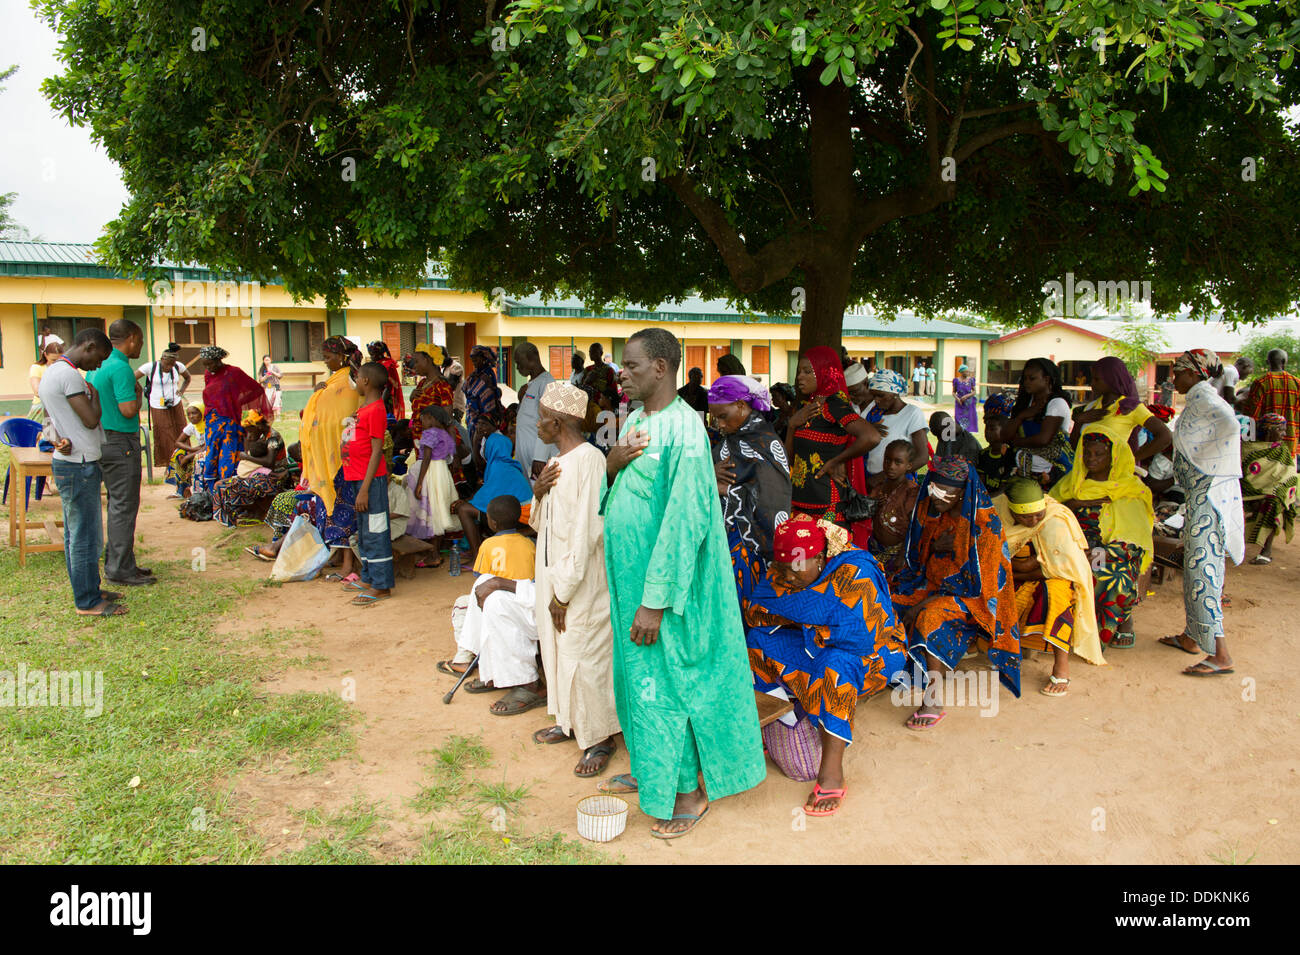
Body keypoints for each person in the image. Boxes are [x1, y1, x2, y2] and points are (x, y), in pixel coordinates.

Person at [601, 328, 766, 839]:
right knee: (640, 683)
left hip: (667, 591)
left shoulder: (686, 431)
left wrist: (654, 601)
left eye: (630, 365)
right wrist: (611, 465)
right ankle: (653, 768)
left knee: (673, 685)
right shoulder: (636, 421)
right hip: (629, 582)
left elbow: (685, 519)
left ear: (661, 368)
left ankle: (689, 792)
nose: (621, 373)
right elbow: (626, 491)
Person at [734, 515, 908, 815]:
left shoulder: (855, 571)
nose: (787, 577)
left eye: (796, 568)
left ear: (819, 556)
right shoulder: (787, 566)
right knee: (758, 640)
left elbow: (862, 635)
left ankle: (831, 772)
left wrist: (809, 623)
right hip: (816, 640)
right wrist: (809, 621)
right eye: (782, 567)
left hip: (875, 652)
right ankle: (779, 723)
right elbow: (757, 610)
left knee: (837, 667)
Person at [527, 381, 621, 777]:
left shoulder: (590, 461)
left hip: (580, 582)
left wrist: (563, 592)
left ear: (559, 422)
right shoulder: (555, 462)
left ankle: (600, 737)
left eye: (541, 420)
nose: (537, 426)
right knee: (558, 650)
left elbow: (588, 531)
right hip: (552, 574)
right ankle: (570, 722)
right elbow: (540, 523)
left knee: (585, 656)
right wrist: (538, 491)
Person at [891, 458, 1021, 729]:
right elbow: (918, 558)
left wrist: (927, 600)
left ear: (962, 490)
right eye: (932, 488)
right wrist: (936, 547)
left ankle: (933, 698)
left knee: (930, 616)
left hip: (972, 600)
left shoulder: (985, 525)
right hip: (931, 584)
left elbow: (980, 585)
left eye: (944, 491)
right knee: (888, 600)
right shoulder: (935, 513)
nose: (935, 496)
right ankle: (895, 670)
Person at [1160, 350, 1245, 675]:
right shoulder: (1201, 399)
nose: (1173, 379)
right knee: (1198, 568)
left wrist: (1215, 467)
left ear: (1193, 373)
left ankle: (1220, 654)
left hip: (1208, 499)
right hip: (1201, 499)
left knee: (1202, 573)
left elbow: (1228, 427)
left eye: (1178, 373)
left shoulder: (1208, 402)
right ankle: (1191, 637)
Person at [40, 329, 125, 617]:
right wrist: (97, 397)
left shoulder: (53, 372)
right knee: (85, 536)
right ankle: (87, 601)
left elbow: (52, 420)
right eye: (98, 358)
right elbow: (90, 420)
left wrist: (59, 439)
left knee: (76, 535)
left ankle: (89, 588)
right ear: (88, 347)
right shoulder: (69, 375)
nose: (98, 366)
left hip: (73, 461)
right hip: (80, 465)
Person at [995, 479, 1105, 697]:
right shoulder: (998, 511)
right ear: (1011, 510)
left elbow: (1063, 566)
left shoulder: (1055, 519)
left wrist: (1023, 567)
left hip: (1054, 573)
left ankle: (1061, 665)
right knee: (994, 588)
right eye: (1026, 517)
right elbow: (991, 552)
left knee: (1055, 594)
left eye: (1038, 514)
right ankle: (1004, 651)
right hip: (1014, 570)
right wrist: (1016, 568)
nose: (1034, 520)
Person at [1053, 433, 1154, 649]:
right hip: (1074, 546)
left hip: (1114, 552)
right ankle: (1073, 629)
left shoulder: (1129, 488)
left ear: (1114, 457)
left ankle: (1104, 632)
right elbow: (1050, 513)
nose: (1091, 459)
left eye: (1099, 454)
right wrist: (1073, 503)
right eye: (1087, 453)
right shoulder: (1073, 483)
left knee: (1107, 575)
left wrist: (1103, 553)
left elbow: (1136, 538)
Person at [449, 497, 543, 714]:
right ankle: (490, 669)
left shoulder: (489, 544)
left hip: (533, 607)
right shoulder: (529, 544)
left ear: (491, 522)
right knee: (482, 585)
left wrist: (501, 583)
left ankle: (528, 683)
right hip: (526, 595)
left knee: (494, 597)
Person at [86, 319, 155, 587]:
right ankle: (119, 569)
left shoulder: (99, 366)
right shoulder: (122, 368)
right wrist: (138, 397)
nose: (141, 346)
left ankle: (123, 563)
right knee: (124, 506)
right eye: (140, 341)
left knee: (116, 505)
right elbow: (128, 410)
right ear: (132, 338)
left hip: (101, 440)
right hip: (121, 442)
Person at [786, 347, 882, 526]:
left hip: (827, 504)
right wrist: (792, 425)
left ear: (826, 372)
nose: (800, 376)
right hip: (799, 501)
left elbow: (871, 436)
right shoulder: (806, 407)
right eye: (799, 371)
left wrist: (836, 461)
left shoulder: (834, 405)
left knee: (828, 554)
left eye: (807, 371)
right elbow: (790, 459)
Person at [708, 375, 792, 569]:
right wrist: (709, 475)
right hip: (723, 541)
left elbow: (773, 499)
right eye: (715, 418)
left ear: (740, 405)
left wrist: (726, 491)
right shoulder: (732, 439)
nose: (719, 425)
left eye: (723, 416)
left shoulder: (766, 444)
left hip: (749, 547)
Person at [341, 362, 395, 606]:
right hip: (356, 478)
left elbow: (377, 451)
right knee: (364, 532)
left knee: (376, 530)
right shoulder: (364, 409)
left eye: (358, 377)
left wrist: (365, 488)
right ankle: (368, 577)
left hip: (369, 482)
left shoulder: (375, 410)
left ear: (366, 382)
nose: (356, 381)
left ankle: (381, 585)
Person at [1069, 356, 1173, 468]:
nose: (1092, 384)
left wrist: (1131, 459)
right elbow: (1076, 447)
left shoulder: (1130, 407)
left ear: (1112, 380)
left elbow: (1165, 436)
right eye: (1092, 379)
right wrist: (1079, 421)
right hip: (1086, 474)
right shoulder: (1091, 407)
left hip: (1115, 475)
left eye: (1097, 379)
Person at [456, 415, 533, 561]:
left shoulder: (499, 467)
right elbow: (489, 492)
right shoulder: (510, 465)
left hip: (521, 519)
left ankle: (476, 555)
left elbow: (484, 498)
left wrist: (464, 501)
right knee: (479, 509)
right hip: (524, 515)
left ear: (491, 449)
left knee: (464, 510)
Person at [197, 345, 272, 493]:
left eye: (210, 363)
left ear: (218, 359)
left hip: (229, 421)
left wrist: (238, 402)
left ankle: (229, 494)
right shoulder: (208, 374)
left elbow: (257, 389)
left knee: (228, 458)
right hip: (212, 423)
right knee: (212, 456)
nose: (207, 367)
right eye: (205, 364)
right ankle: (214, 496)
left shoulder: (233, 373)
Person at [1005, 358, 1074, 487]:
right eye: (1024, 379)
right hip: (1026, 471)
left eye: (1032, 379)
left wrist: (1017, 442)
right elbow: (1005, 436)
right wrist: (1022, 416)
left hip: (1052, 473)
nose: (1026, 382)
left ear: (1047, 379)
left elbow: (1043, 439)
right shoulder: (1026, 403)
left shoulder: (1056, 403)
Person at [209, 411, 286, 527]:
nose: (248, 434)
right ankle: (251, 510)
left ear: (259, 426)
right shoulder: (263, 436)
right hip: (261, 473)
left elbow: (269, 463)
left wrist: (247, 457)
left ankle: (254, 511)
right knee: (225, 484)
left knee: (231, 486)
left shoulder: (273, 438)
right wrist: (249, 440)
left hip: (275, 475)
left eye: (250, 430)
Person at [404, 405, 460, 557]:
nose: (421, 423)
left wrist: (420, 483)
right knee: (439, 510)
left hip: (431, 472)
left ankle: (433, 555)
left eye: (422, 419)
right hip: (442, 472)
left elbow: (427, 458)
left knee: (431, 510)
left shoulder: (429, 433)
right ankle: (436, 552)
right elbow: (451, 458)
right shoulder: (446, 434)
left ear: (430, 418)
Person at [1241, 413, 1297, 565]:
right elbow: (1241, 471)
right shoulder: (1247, 447)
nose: (1284, 434)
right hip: (1245, 490)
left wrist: (1273, 490)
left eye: (1285, 430)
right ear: (1268, 430)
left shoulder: (1282, 450)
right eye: (1280, 430)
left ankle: (1266, 550)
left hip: (1269, 491)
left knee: (1274, 501)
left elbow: (1288, 474)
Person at [865, 439, 919, 582]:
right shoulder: (879, 487)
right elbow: (866, 513)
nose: (891, 466)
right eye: (887, 460)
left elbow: (913, 526)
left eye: (898, 462)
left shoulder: (911, 491)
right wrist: (875, 504)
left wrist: (902, 554)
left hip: (897, 553)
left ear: (909, 466)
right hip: (875, 548)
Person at [862, 368, 928, 476]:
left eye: (881, 395)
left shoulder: (912, 413)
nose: (876, 400)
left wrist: (885, 477)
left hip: (897, 483)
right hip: (869, 478)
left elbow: (923, 457)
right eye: (874, 396)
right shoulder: (873, 414)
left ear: (894, 393)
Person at [137, 343, 193, 464]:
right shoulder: (150, 367)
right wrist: (139, 390)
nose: (169, 367)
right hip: (157, 405)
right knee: (164, 433)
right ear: (162, 359)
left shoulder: (178, 366)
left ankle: (184, 458)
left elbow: (188, 378)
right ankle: (167, 462)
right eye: (167, 364)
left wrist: (181, 391)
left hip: (175, 403)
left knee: (180, 430)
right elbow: (132, 378)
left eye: (172, 365)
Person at [512, 342, 559, 477]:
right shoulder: (531, 384)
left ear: (532, 359)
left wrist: (540, 456)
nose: (517, 367)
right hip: (525, 452)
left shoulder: (547, 382)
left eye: (519, 362)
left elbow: (550, 420)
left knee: (539, 493)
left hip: (537, 456)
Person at [1243, 348, 1300, 458]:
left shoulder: (1261, 382)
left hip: (1264, 442)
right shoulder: (1297, 383)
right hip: (1290, 440)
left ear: (1267, 362)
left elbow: (1251, 416)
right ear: (1284, 362)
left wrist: (1249, 440)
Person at [407, 343, 454, 438]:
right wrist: (412, 397)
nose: (414, 366)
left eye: (416, 361)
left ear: (427, 360)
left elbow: (447, 419)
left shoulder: (442, 386)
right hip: (419, 439)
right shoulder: (422, 383)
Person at [977, 393, 1019, 496]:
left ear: (1006, 429)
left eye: (992, 428)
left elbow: (1003, 491)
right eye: (986, 427)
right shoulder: (983, 454)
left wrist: (985, 501)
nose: (987, 432)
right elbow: (979, 483)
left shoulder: (1012, 456)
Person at [464, 344, 505, 441]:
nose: (473, 362)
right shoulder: (475, 374)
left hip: (482, 413)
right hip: (472, 413)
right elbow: (465, 389)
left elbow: (487, 394)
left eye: (476, 359)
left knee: (480, 441)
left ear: (484, 359)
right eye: (472, 359)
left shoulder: (488, 374)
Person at [166, 404, 206, 498]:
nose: (191, 416)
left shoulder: (208, 424)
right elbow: (178, 442)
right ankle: (183, 490)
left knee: (198, 457)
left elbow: (209, 446)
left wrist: (189, 456)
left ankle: (199, 494)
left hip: (211, 452)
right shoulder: (193, 426)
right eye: (188, 414)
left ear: (202, 413)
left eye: (194, 413)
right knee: (178, 453)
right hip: (200, 450)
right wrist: (193, 449)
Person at [27, 339, 64, 422]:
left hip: (60, 408)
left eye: (59, 360)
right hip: (42, 407)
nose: (56, 363)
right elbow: (37, 391)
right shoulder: (37, 368)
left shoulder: (65, 369)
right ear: (45, 355)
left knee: (52, 434)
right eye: (53, 360)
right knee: (35, 433)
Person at [367, 341, 406, 420]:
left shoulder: (387, 364)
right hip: (378, 394)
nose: (371, 357)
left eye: (373, 355)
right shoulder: (377, 363)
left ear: (380, 354)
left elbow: (390, 384)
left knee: (385, 415)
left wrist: (382, 399)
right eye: (370, 355)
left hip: (387, 395)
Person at [952, 364, 978, 433]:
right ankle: (959, 432)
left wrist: (966, 396)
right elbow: (953, 392)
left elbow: (974, 391)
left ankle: (968, 433)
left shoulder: (971, 380)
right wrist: (958, 399)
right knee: (958, 418)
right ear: (961, 372)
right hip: (959, 403)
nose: (967, 373)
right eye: (966, 371)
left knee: (969, 419)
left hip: (969, 403)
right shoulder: (956, 380)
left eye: (968, 371)